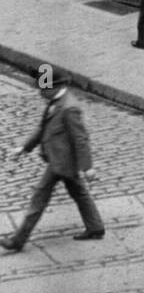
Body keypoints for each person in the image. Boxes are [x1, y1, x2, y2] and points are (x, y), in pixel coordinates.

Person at [1, 71, 105, 253]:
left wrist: (88, 167)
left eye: (44, 89)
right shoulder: (56, 103)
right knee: (79, 193)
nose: (40, 92)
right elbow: (42, 129)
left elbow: (80, 139)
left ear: (55, 87)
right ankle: (95, 227)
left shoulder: (69, 108)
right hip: (59, 160)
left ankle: (18, 240)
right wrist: (24, 147)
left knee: (39, 198)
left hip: (62, 163)